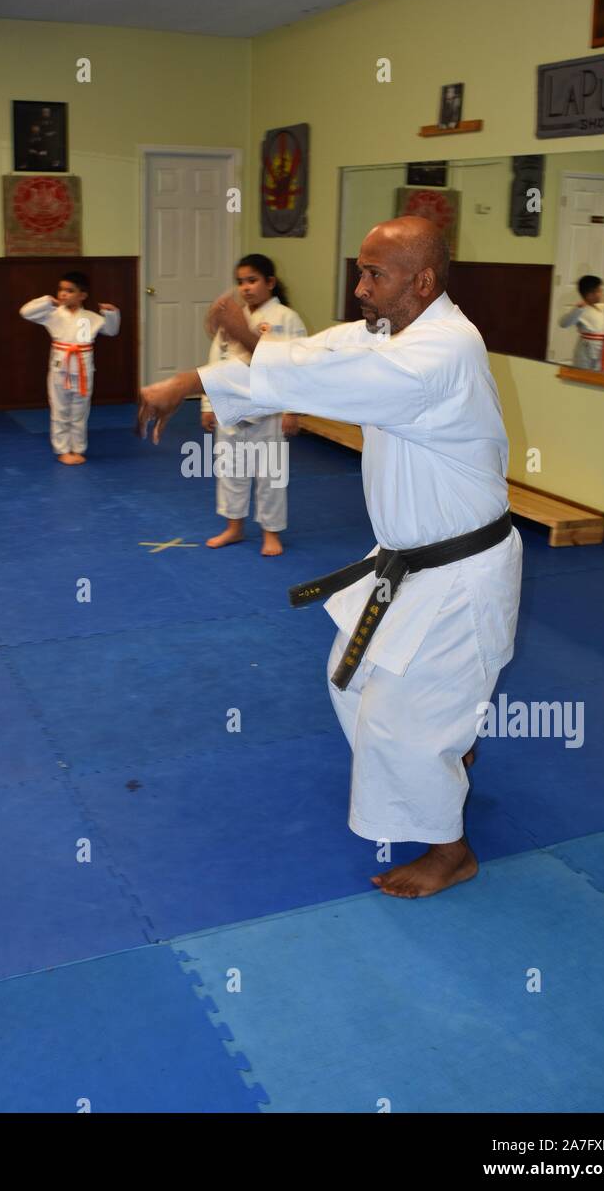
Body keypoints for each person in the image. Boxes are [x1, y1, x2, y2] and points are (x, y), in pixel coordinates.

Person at [137, 216, 522, 899]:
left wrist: (242, 340)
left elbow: (327, 382)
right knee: (350, 679)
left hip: (459, 575)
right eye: (360, 270)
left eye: (375, 274)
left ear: (422, 281)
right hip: (408, 564)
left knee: (400, 722)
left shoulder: (442, 351)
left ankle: (450, 849)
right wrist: (190, 379)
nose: (360, 287)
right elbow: (318, 355)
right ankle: (455, 745)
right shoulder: (388, 333)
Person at [202, 255, 306, 556]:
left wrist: (292, 410)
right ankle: (233, 527)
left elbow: (297, 366)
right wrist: (208, 404)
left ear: (270, 282)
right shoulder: (231, 318)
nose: (245, 287)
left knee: (270, 474)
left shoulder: (287, 318)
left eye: (252, 280)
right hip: (232, 405)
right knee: (230, 470)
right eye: (240, 282)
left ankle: (271, 533)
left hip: (268, 408)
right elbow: (215, 361)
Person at [20, 273, 120, 464]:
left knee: (80, 411)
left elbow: (111, 330)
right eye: (61, 290)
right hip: (60, 367)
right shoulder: (52, 314)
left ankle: (77, 449)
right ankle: (63, 449)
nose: (63, 294)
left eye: (70, 291)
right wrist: (47, 301)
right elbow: (25, 312)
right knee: (59, 409)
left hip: (83, 368)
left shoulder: (90, 318)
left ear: (82, 295)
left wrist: (112, 313)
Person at [558, 274, 604, 371]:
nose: (602, 293)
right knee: (582, 373)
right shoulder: (581, 310)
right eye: (599, 291)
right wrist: (577, 310)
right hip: (586, 348)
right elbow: (563, 323)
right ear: (590, 294)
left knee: (600, 374)